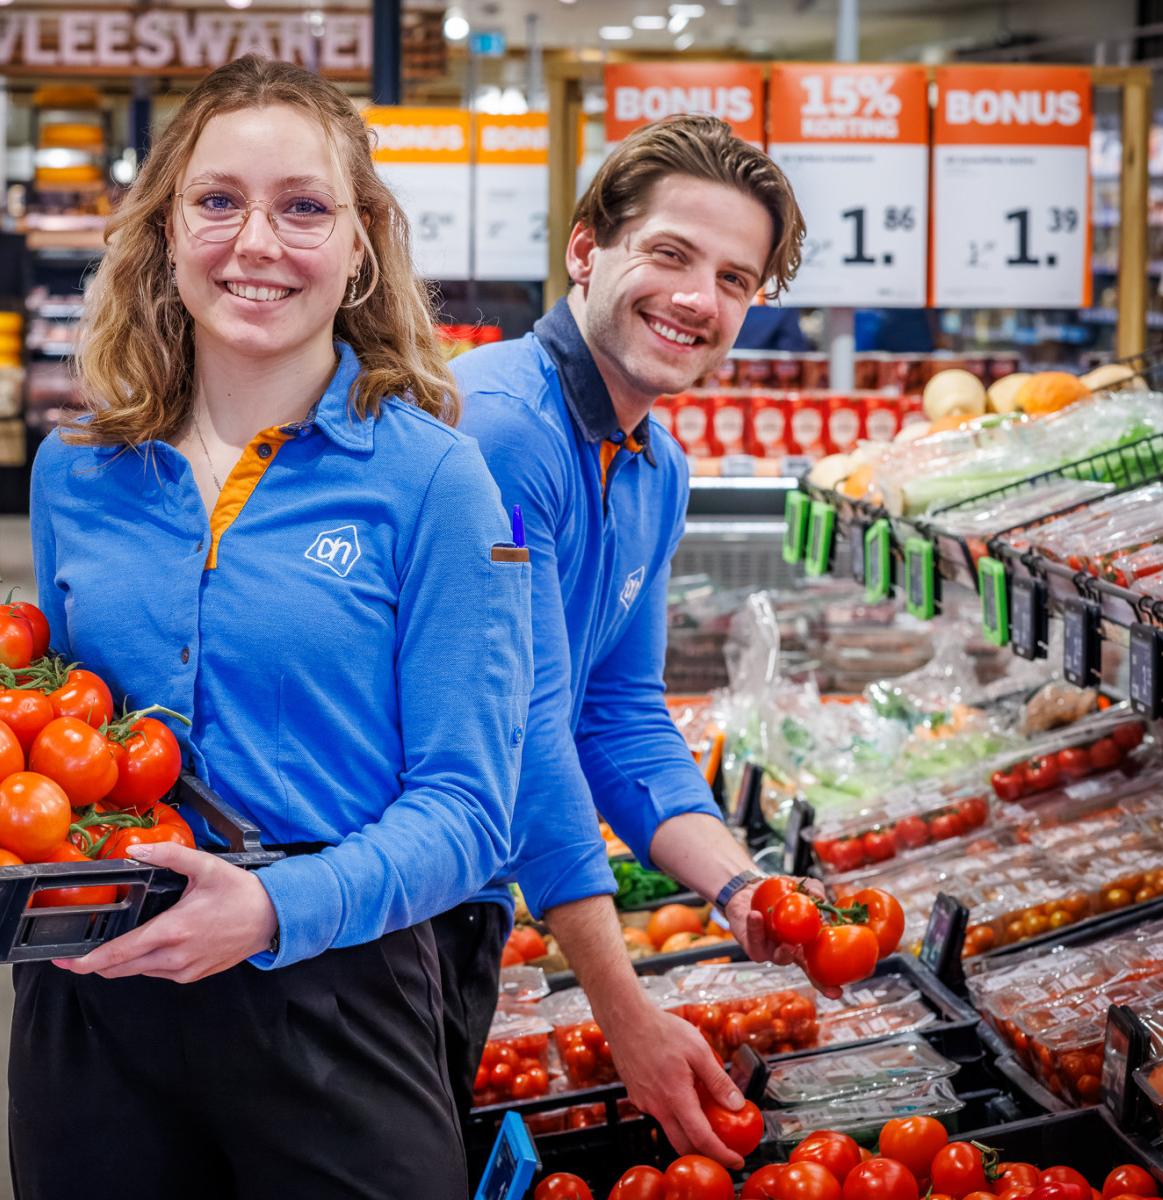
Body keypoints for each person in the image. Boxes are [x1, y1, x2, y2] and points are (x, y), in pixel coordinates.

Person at [15, 56, 530, 1199]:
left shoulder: (435, 484)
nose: (256, 242)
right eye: (217, 201)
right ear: (161, 232)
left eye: (302, 207)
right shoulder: (74, 474)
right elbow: (53, 740)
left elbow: (468, 814)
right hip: (92, 997)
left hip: (335, 997)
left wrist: (268, 909)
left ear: (359, 245)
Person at [446, 114, 820, 1167]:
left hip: (465, 903)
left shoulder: (652, 463)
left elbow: (613, 714)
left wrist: (739, 886)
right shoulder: (502, 427)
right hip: (372, 919)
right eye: (668, 253)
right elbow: (519, 731)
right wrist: (623, 1012)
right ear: (583, 248)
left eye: (735, 280)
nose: (698, 299)